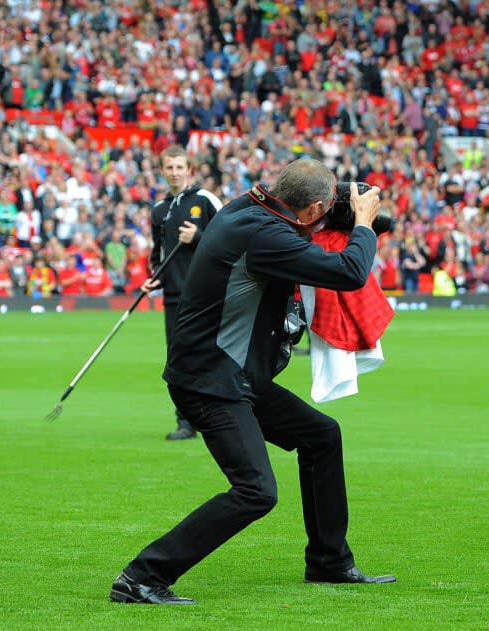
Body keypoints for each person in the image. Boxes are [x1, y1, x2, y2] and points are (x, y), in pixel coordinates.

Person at [111, 160, 395, 606]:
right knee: (255, 491)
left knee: (321, 436)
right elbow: (349, 272)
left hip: (235, 373)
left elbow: (335, 204)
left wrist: (353, 206)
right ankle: (142, 575)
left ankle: (329, 562)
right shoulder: (267, 236)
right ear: (311, 207)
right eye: (321, 213)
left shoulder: (250, 206)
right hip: (212, 380)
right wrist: (362, 223)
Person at [142, 145, 223, 440]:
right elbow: (158, 254)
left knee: (207, 357)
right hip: (173, 296)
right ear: (162, 170)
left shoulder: (205, 199)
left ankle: (216, 417)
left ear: (189, 169)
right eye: (169, 167)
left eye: (180, 167)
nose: (175, 172)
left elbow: (230, 240)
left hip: (205, 296)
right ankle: (185, 422)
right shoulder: (159, 210)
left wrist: (199, 237)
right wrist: (155, 278)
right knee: (177, 363)